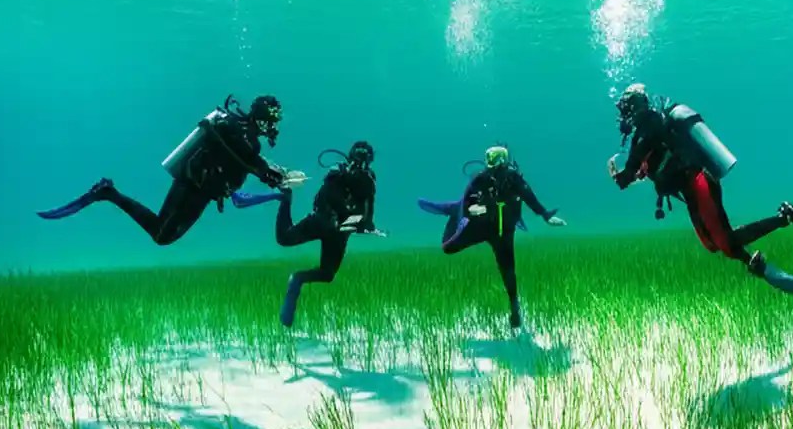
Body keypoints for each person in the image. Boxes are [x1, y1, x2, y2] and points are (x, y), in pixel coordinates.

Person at [608, 83, 793, 301]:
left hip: (699, 180)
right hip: (689, 190)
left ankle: (785, 217)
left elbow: (637, 157)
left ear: (635, 107)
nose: (624, 116)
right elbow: (648, 160)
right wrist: (634, 173)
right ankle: (757, 261)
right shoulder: (648, 129)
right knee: (712, 244)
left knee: (725, 241)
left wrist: (625, 175)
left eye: (626, 109)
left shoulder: (649, 124)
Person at [37, 95, 292, 246]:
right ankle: (108, 193)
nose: (275, 127)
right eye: (273, 121)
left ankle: (109, 193)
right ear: (262, 119)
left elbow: (245, 157)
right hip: (194, 190)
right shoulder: (245, 136)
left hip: (193, 187)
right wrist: (266, 173)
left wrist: (268, 171)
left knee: (162, 233)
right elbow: (246, 157)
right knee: (162, 236)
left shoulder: (238, 129)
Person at [234, 141, 383, 328]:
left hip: (333, 227)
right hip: (327, 224)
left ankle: (297, 277)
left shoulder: (361, 177)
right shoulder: (346, 172)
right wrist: (357, 222)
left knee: (323, 270)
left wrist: (364, 224)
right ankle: (285, 199)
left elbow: (366, 208)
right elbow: (340, 198)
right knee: (294, 247)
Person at [418, 145, 567, 330]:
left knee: (508, 271)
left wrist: (546, 215)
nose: (494, 162)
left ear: (504, 160)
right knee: (448, 248)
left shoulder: (514, 179)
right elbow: (470, 201)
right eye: (491, 158)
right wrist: (470, 210)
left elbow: (529, 197)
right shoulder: (480, 178)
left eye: (497, 157)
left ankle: (515, 311)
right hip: (481, 226)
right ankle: (452, 209)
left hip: (503, 232)